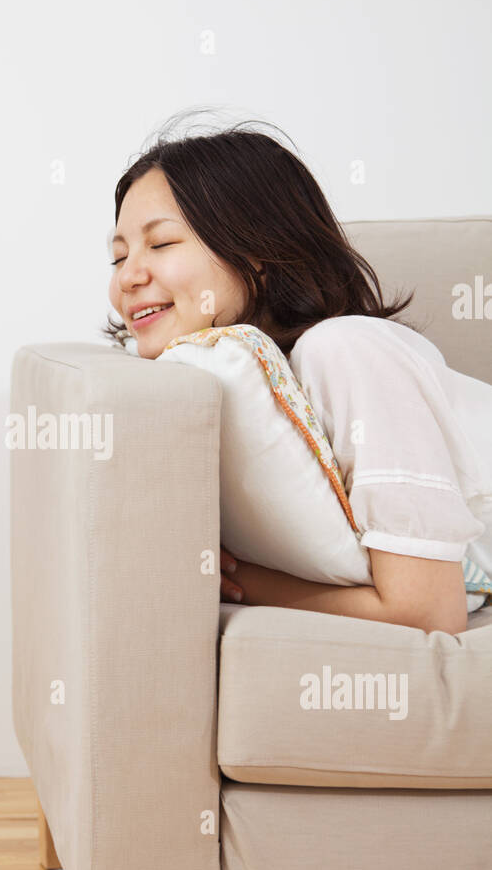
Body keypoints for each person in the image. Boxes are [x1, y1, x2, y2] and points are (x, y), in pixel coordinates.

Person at [104, 116, 492, 635]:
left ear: (257, 254)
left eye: (162, 244)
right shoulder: (221, 387)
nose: (129, 276)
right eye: (119, 255)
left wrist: (243, 581)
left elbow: (427, 612)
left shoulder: (347, 350)